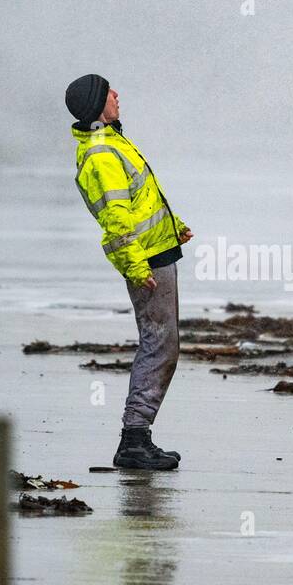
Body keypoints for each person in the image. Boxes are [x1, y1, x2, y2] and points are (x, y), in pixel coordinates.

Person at [66, 74, 193, 470]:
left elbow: (140, 199)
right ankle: (133, 440)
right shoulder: (102, 152)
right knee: (160, 344)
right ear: (96, 103)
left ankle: (138, 437)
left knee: (162, 344)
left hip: (156, 252)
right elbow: (116, 219)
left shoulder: (111, 142)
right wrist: (136, 267)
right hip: (148, 262)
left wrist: (175, 227)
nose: (117, 95)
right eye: (109, 92)